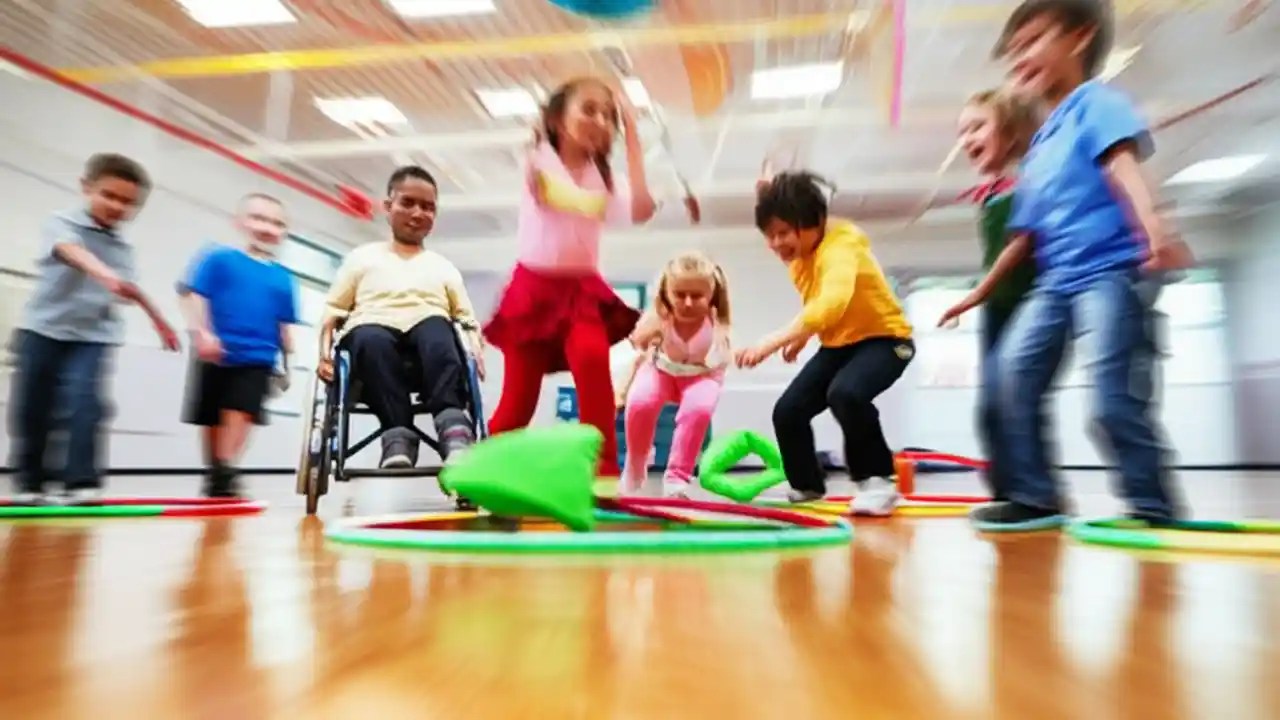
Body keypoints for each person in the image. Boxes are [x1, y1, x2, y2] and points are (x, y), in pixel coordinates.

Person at [941, 0, 1194, 530]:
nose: (1019, 58)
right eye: (1013, 51)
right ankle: (1035, 496)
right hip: (1057, 282)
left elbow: (1122, 165)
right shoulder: (1041, 145)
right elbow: (1022, 237)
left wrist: (1155, 227)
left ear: (1079, 38)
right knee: (1011, 376)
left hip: (1111, 272)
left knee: (1110, 401)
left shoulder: (1094, 103)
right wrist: (976, 295)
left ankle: (1153, 507)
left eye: (1032, 42)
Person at [484, 76, 692, 479]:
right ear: (557, 120)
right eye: (589, 110)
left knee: (593, 365)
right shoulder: (538, 160)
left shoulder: (603, 177)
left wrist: (633, 139)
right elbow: (570, 200)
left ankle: (602, 473)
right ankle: (485, 467)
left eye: (609, 116)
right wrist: (629, 195)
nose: (601, 121)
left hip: (581, 290)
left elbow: (640, 211)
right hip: (533, 291)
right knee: (518, 400)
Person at [737, 172, 914, 516]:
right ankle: (806, 485)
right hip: (839, 346)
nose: (776, 243)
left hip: (887, 341)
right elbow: (818, 304)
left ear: (815, 222)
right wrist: (802, 336)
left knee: (846, 393)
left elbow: (833, 302)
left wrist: (774, 340)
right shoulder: (800, 260)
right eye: (769, 235)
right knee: (789, 411)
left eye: (784, 233)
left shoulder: (842, 245)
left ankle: (877, 482)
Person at [8, 153, 180, 505]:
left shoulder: (123, 248)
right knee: (33, 406)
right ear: (87, 188)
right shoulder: (61, 223)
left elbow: (129, 289)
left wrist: (159, 321)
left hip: (92, 337)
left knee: (85, 403)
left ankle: (81, 482)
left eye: (127, 202)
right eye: (109, 195)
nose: (116, 206)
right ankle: (31, 482)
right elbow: (68, 250)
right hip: (42, 329)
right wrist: (103, 274)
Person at [319, 166, 482, 470]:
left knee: (436, 327)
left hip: (429, 350)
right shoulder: (361, 258)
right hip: (372, 342)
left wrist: (475, 350)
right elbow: (333, 311)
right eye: (408, 203)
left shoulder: (443, 266)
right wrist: (324, 355)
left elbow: (466, 319)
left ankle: (453, 426)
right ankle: (397, 436)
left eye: (427, 207)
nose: (418, 213)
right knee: (370, 335)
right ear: (388, 206)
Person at [943, 88, 1043, 501]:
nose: (967, 139)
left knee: (1018, 400)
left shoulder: (1027, 185)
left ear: (1012, 132)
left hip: (1027, 304)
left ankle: (1031, 494)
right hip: (997, 308)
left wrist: (974, 295)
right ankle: (1005, 494)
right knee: (989, 408)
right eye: (962, 131)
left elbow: (1019, 245)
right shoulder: (994, 191)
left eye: (977, 127)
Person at [179, 194, 299, 498]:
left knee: (242, 410)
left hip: (258, 355)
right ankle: (217, 469)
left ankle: (227, 467)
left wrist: (289, 359)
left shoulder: (283, 278)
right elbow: (195, 295)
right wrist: (202, 333)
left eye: (277, 223)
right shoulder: (218, 258)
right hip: (215, 351)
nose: (267, 228)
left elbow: (284, 322)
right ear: (240, 222)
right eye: (259, 219)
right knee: (212, 416)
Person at [617, 252, 732, 498]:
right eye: (679, 295)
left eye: (697, 296)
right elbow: (637, 345)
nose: (688, 303)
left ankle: (677, 477)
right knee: (640, 403)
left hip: (703, 375)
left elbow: (723, 354)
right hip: (662, 371)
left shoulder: (717, 321)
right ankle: (635, 466)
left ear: (711, 294)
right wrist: (645, 334)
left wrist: (728, 348)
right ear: (667, 293)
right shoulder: (659, 316)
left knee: (698, 410)